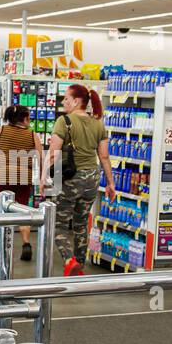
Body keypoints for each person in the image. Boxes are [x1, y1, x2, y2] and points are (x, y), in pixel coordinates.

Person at [46, 84, 116, 276]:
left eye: (66, 99)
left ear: (76, 101)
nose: (63, 102)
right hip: (92, 179)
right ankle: (80, 268)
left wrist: (43, 176)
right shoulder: (98, 123)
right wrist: (110, 184)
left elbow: (53, 154)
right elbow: (104, 157)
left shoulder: (64, 121)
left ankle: (70, 261)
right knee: (81, 224)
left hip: (70, 178)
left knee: (58, 224)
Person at [0, 103, 45, 261]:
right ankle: (26, 244)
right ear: (25, 119)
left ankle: (2, 242)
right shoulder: (33, 135)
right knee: (23, 210)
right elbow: (40, 159)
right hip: (23, 179)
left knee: (5, 210)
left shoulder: (2, 130)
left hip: (4, 177)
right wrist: (42, 179)